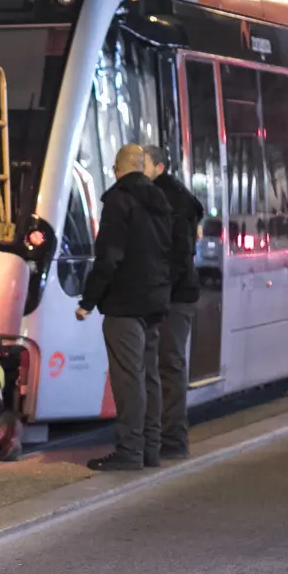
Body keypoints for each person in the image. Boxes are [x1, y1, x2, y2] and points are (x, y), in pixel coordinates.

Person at [76, 144, 172, 471]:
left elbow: (109, 257)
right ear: (143, 166)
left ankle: (130, 450)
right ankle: (151, 448)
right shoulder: (161, 201)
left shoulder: (118, 200)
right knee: (149, 377)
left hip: (125, 303)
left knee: (128, 379)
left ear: (118, 168)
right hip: (154, 301)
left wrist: (88, 301)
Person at [145, 144, 204, 461]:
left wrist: (156, 291)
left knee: (168, 365)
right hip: (171, 295)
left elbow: (177, 257)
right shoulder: (167, 196)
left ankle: (173, 440)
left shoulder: (171, 200)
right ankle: (165, 438)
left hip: (172, 298)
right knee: (165, 366)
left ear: (158, 166)